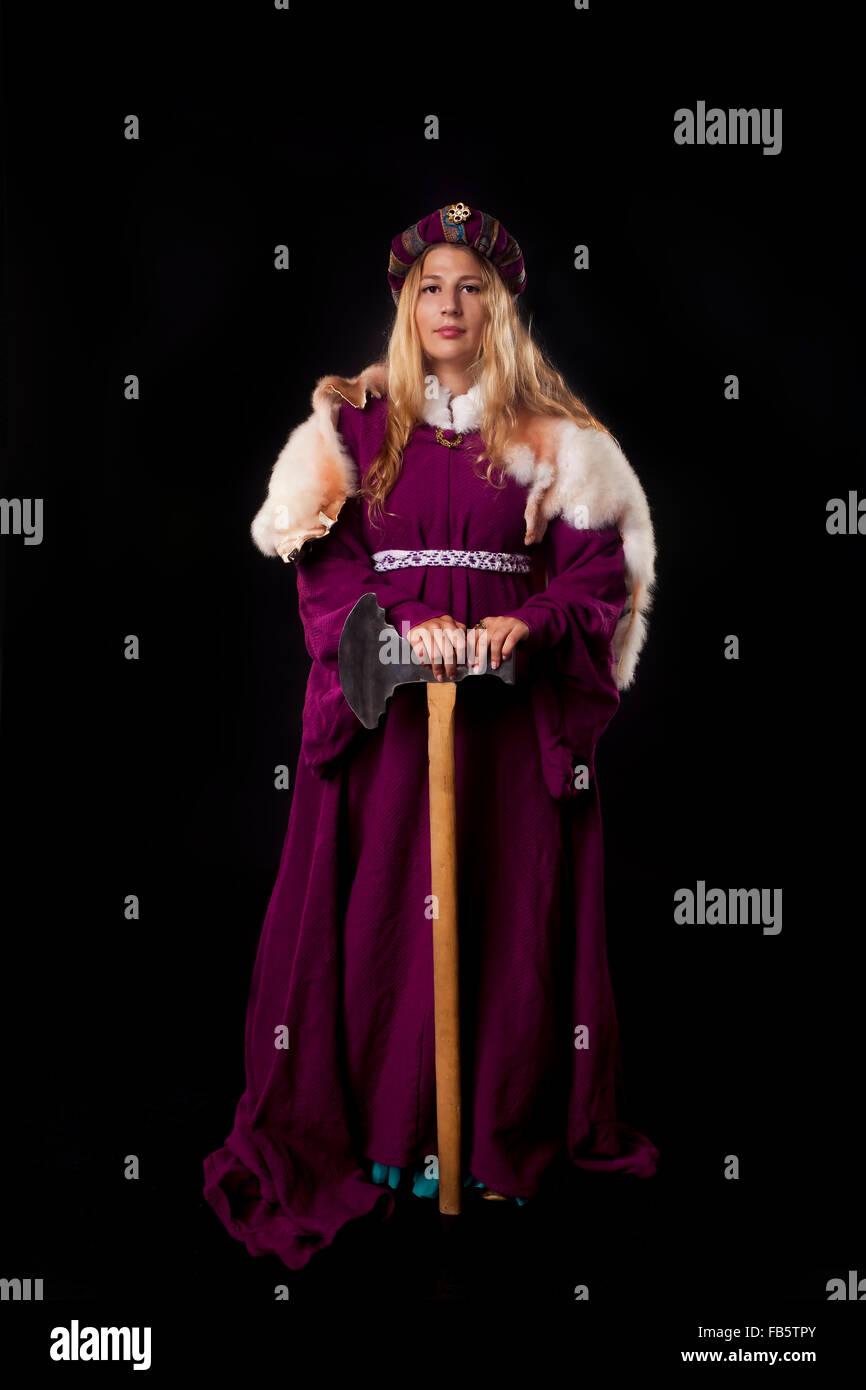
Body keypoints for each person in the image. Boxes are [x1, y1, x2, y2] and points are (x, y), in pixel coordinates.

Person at [202, 201, 659, 1272]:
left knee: (505, 905)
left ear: (497, 307)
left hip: (505, 723)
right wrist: (408, 631)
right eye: (428, 288)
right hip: (391, 725)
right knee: (377, 918)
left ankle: (492, 1135)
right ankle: (387, 1135)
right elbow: (327, 566)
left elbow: (601, 574)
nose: (447, 305)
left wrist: (524, 622)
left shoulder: (556, 436)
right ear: (406, 305)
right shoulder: (356, 427)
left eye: (469, 287)